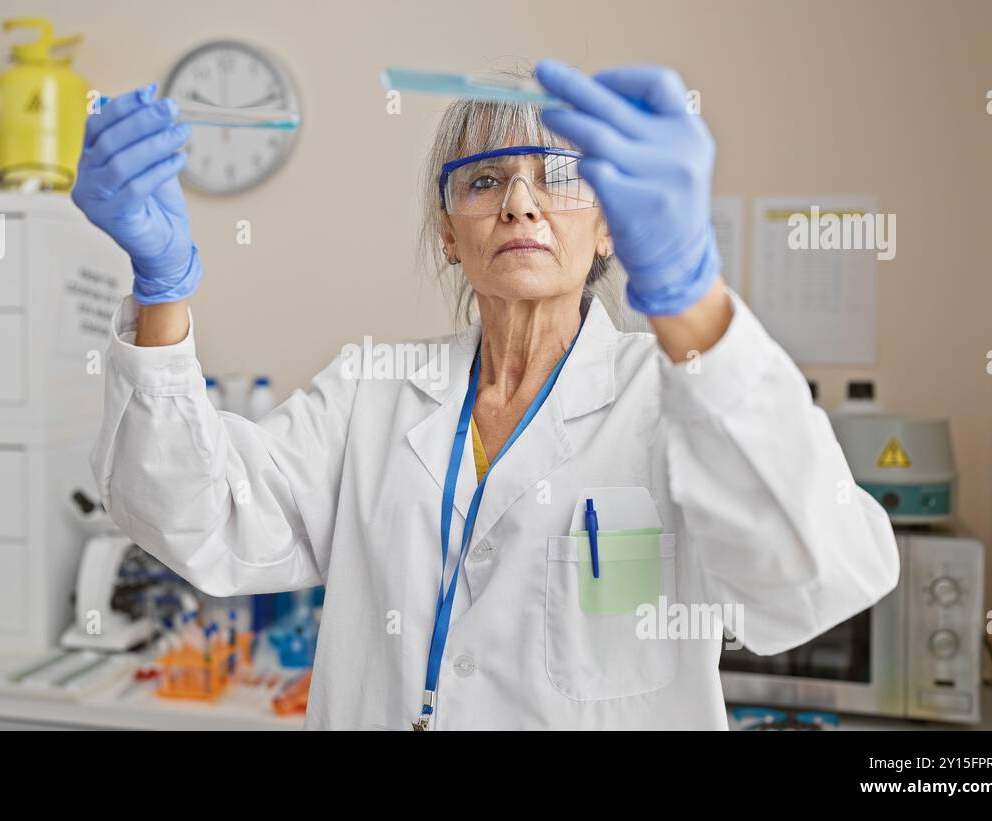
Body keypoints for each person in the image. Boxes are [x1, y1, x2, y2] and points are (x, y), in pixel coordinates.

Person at [71, 59, 899, 730]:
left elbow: (815, 579)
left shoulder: (672, 398)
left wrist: (692, 294)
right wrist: (161, 285)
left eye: (558, 177)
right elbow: (194, 514)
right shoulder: (373, 392)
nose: (519, 202)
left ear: (610, 225)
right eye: (484, 180)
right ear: (448, 231)